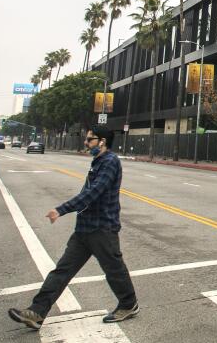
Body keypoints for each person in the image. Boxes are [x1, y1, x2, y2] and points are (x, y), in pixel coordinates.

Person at [8, 129, 138, 330]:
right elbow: (87, 193)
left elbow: (93, 194)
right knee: (62, 270)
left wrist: (61, 210)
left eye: (89, 139)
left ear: (102, 141)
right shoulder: (98, 162)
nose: (86, 142)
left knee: (114, 270)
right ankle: (37, 312)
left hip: (102, 227)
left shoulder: (110, 162)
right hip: (85, 228)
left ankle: (129, 305)